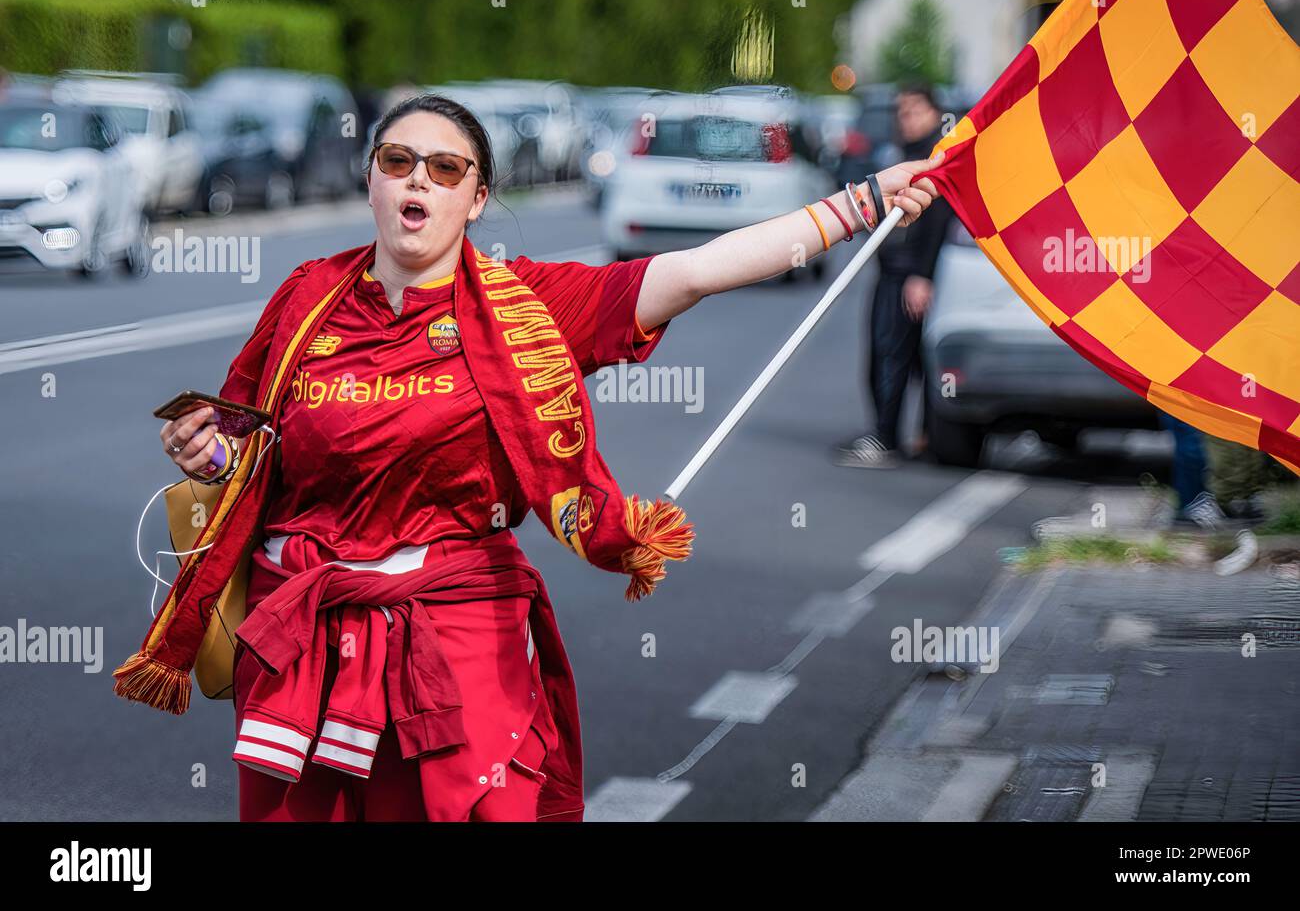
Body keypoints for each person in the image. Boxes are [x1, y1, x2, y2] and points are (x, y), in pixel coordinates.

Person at [143, 93, 943, 822]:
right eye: (397, 161)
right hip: (303, 650)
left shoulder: (529, 304)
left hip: (461, 639)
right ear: (373, 181)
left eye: (445, 168)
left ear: (476, 197)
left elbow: (694, 272)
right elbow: (249, 450)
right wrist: (207, 456)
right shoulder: (306, 296)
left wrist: (860, 204)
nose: (417, 180)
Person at [836, 84, 956, 468]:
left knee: (892, 353)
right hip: (896, 271)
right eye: (901, 113)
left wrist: (922, 275)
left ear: (936, 113)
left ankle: (888, 437)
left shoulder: (934, 160)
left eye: (914, 111)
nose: (906, 120)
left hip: (910, 275)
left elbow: (937, 222)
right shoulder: (901, 154)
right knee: (899, 355)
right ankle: (913, 436)